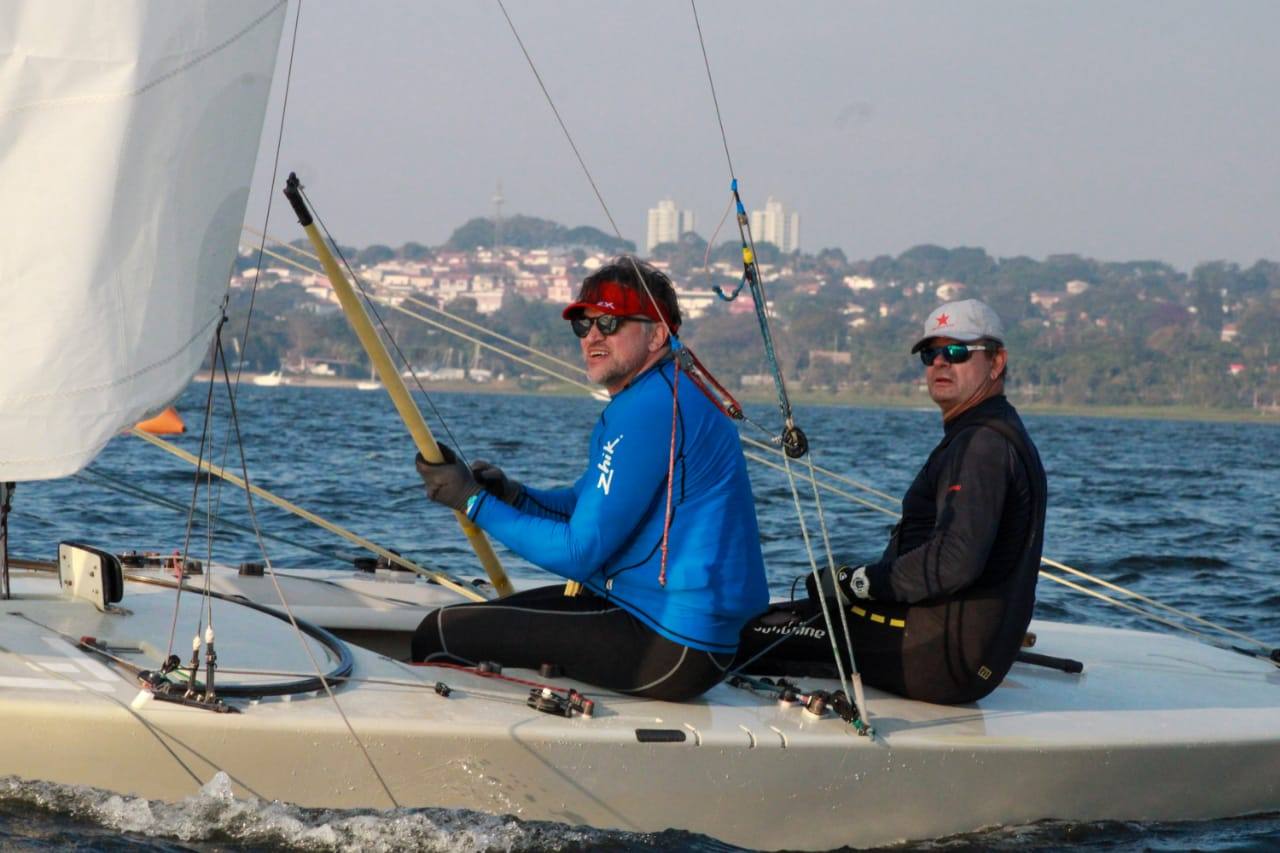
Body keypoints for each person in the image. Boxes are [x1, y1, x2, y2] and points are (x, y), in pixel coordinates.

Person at [412, 257, 770, 702]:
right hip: (657, 622)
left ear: (657, 335)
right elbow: (583, 508)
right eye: (584, 325)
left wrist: (473, 503)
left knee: (439, 635)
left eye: (610, 322)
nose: (593, 336)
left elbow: (579, 552)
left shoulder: (650, 409)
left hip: (670, 644)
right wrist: (510, 495)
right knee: (470, 621)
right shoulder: (662, 391)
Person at [739, 299, 1047, 704]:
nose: (940, 363)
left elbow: (953, 562)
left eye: (957, 352)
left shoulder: (982, 445)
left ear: (996, 362)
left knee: (748, 632)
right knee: (800, 614)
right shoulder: (990, 432)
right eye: (930, 354)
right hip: (960, 649)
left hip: (939, 657)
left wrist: (858, 582)